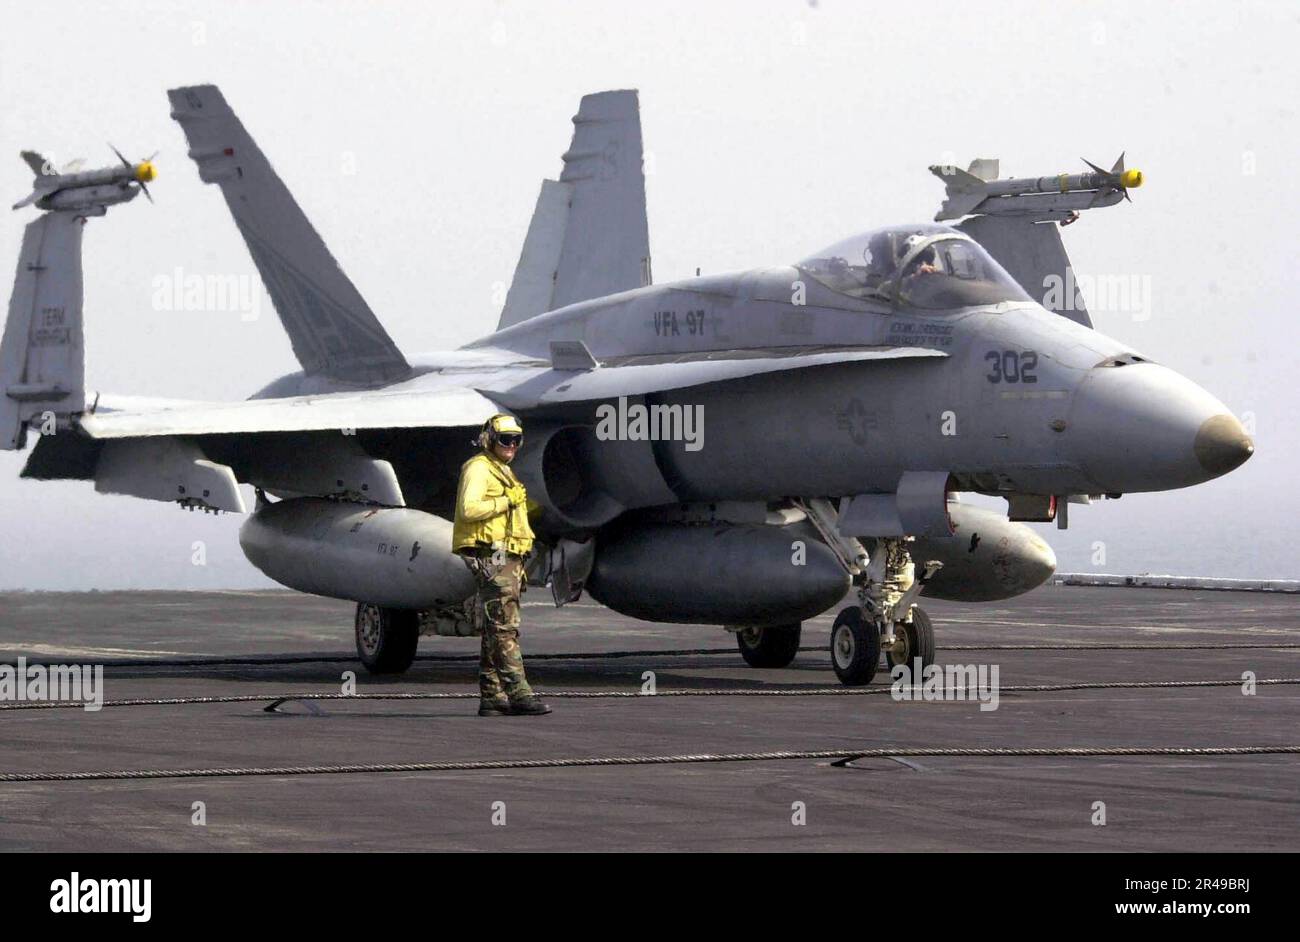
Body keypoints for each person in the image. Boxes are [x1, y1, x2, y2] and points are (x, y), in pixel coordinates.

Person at [451, 413, 551, 717]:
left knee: (496, 626)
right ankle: (519, 692)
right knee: (505, 627)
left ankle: (493, 695)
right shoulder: (478, 468)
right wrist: (506, 501)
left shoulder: (502, 471)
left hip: (507, 556)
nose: (511, 445)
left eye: (516, 440)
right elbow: (469, 509)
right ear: (489, 440)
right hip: (491, 556)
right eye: (505, 439)